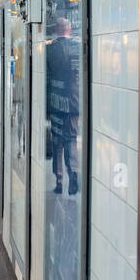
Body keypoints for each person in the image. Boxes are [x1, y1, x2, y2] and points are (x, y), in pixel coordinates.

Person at [46, 17, 80, 195]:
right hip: (74, 101)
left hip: (55, 101)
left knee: (57, 140)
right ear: (69, 29)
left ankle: (59, 180)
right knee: (71, 139)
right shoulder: (78, 47)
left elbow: (45, 77)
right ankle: (73, 172)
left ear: (56, 30)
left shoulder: (49, 49)